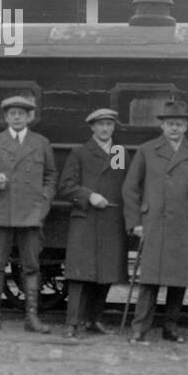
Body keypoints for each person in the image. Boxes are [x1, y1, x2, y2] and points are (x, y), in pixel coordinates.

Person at [119, 100, 188, 344]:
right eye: (170, 124)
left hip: (186, 225)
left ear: (186, 127)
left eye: (179, 124)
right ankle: (139, 329)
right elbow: (130, 188)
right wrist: (135, 223)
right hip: (155, 223)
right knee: (150, 280)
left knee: (179, 280)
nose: (174, 128)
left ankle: (170, 328)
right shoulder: (147, 150)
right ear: (162, 125)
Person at [0, 95, 57, 334]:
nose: (17, 116)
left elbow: (51, 176)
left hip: (31, 215)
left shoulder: (41, 142)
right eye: (12, 113)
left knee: (31, 267)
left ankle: (32, 318)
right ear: (6, 117)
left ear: (29, 116)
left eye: (22, 113)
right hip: (1, 212)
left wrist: (44, 201)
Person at [57, 108, 131, 340]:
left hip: (111, 220)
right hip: (86, 219)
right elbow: (66, 187)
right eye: (101, 125)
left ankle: (93, 319)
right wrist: (89, 196)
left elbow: (123, 184)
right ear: (92, 127)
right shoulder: (80, 152)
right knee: (80, 274)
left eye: (109, 124)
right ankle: (71, 323)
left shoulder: (119, 152)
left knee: (107, 272)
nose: (105, 129)